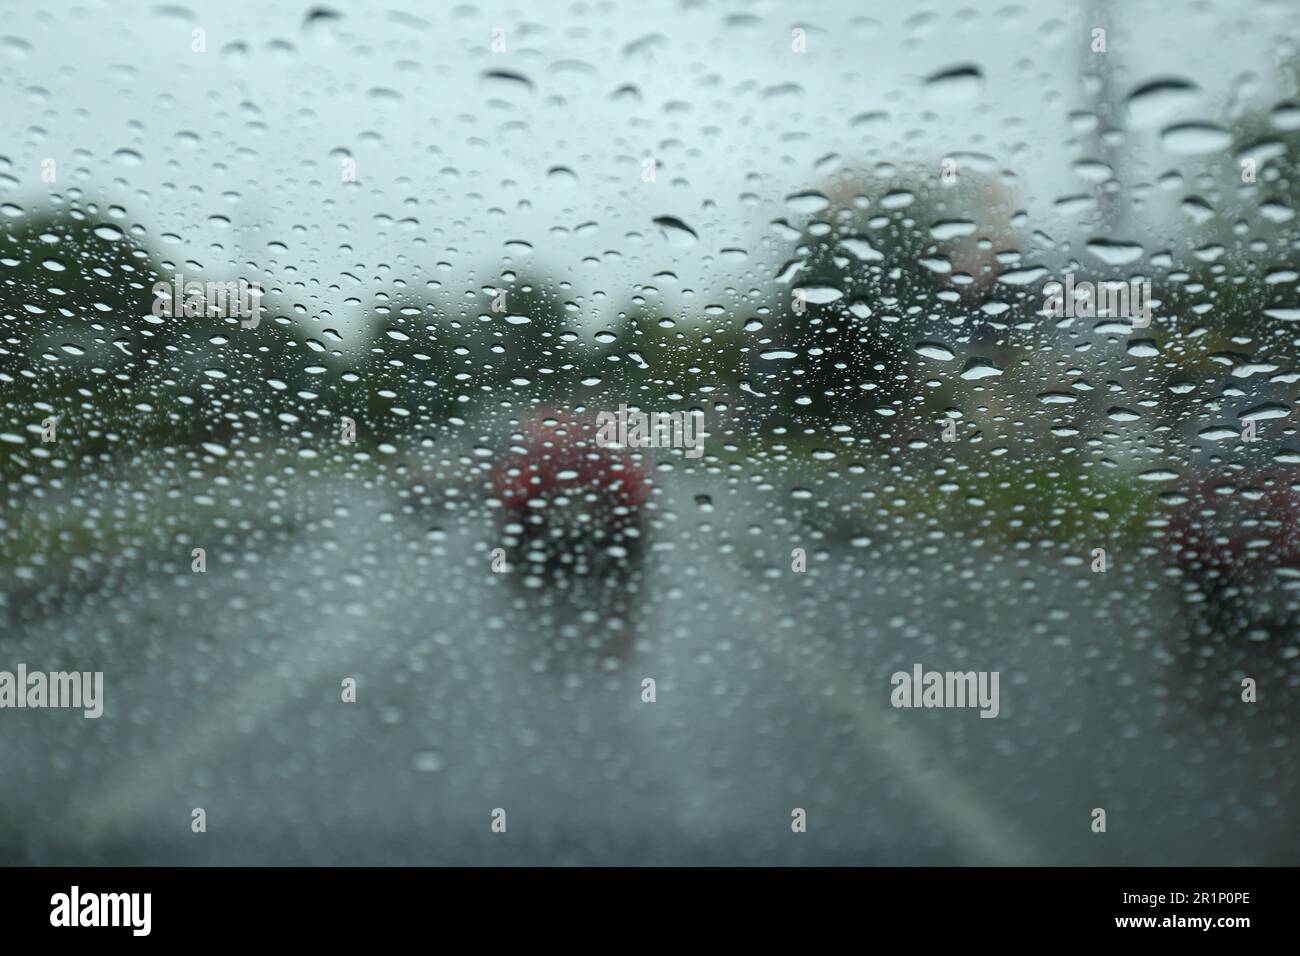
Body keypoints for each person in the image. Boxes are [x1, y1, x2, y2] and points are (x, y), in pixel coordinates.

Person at [489, 405, 652, 668]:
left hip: (554, 542)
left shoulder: (536, 456)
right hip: (588, 540)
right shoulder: (606, 456)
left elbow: (510, 498)